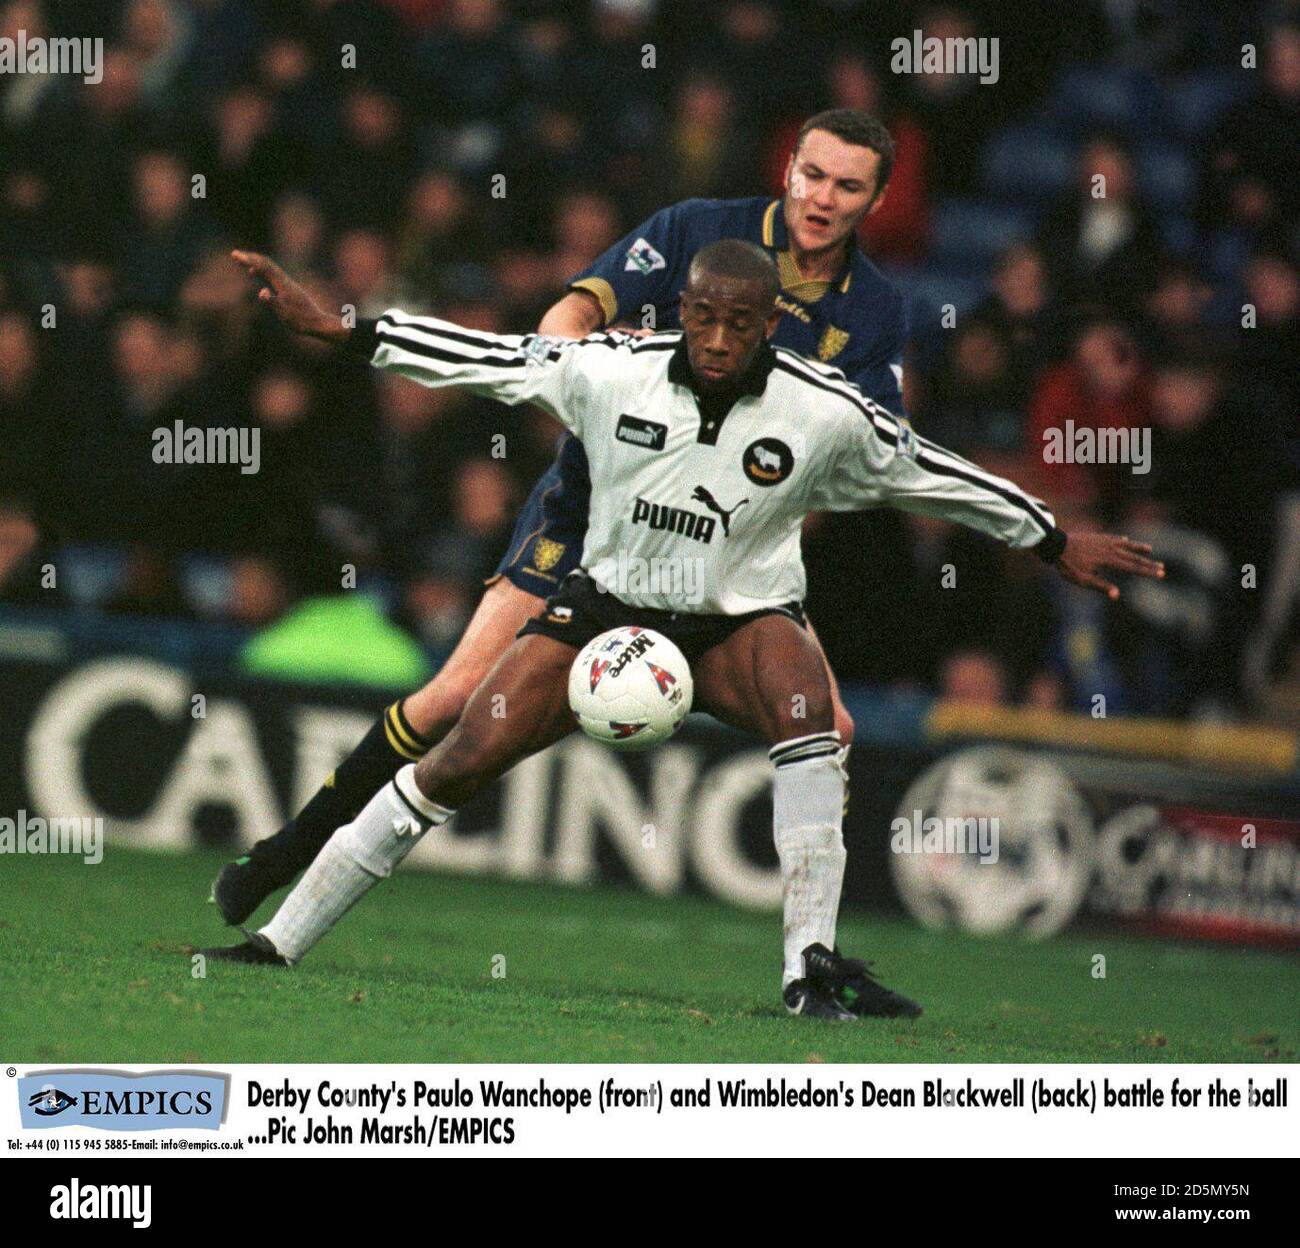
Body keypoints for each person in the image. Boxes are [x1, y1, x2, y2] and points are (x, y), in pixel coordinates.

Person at [203, 241, 1164, 1021]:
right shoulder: (608, 371)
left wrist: (1050, 536)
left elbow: (933, 475)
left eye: (738, 322)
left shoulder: (822, 413)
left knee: (811, 723)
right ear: (680, 311)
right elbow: (489, 361)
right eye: (701, 315)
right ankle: (279, 940)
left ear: (769, 324)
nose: (715, 336)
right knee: (459, 756)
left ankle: (810, 970)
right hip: (603, 611)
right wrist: (348, 328)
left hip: (738, 621)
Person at [212, 108, 912, 926]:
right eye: (814, 175)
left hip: (729, 540)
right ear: (788, 166)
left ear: (876, 199)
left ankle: (816, 956)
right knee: (458, 693)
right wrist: (598, 395)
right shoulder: (697, 231)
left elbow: (870, 454)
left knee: (832, 724)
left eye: (849, 186)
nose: (824, 198)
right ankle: (286, 853)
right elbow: (569, 317)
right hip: (596, 504)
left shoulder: (876, 313)